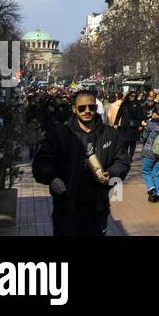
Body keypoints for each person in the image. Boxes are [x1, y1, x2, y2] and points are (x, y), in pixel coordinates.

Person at [32, 89, 131, 236]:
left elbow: (122, 162)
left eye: (91, 107)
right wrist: (52, 178)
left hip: (97, 207)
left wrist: (110, 174)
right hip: (66, 206)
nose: (87, 111)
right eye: (82, 108)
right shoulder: (60, 134)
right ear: (74, 109)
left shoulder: (111, 134)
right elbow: (41, 162)